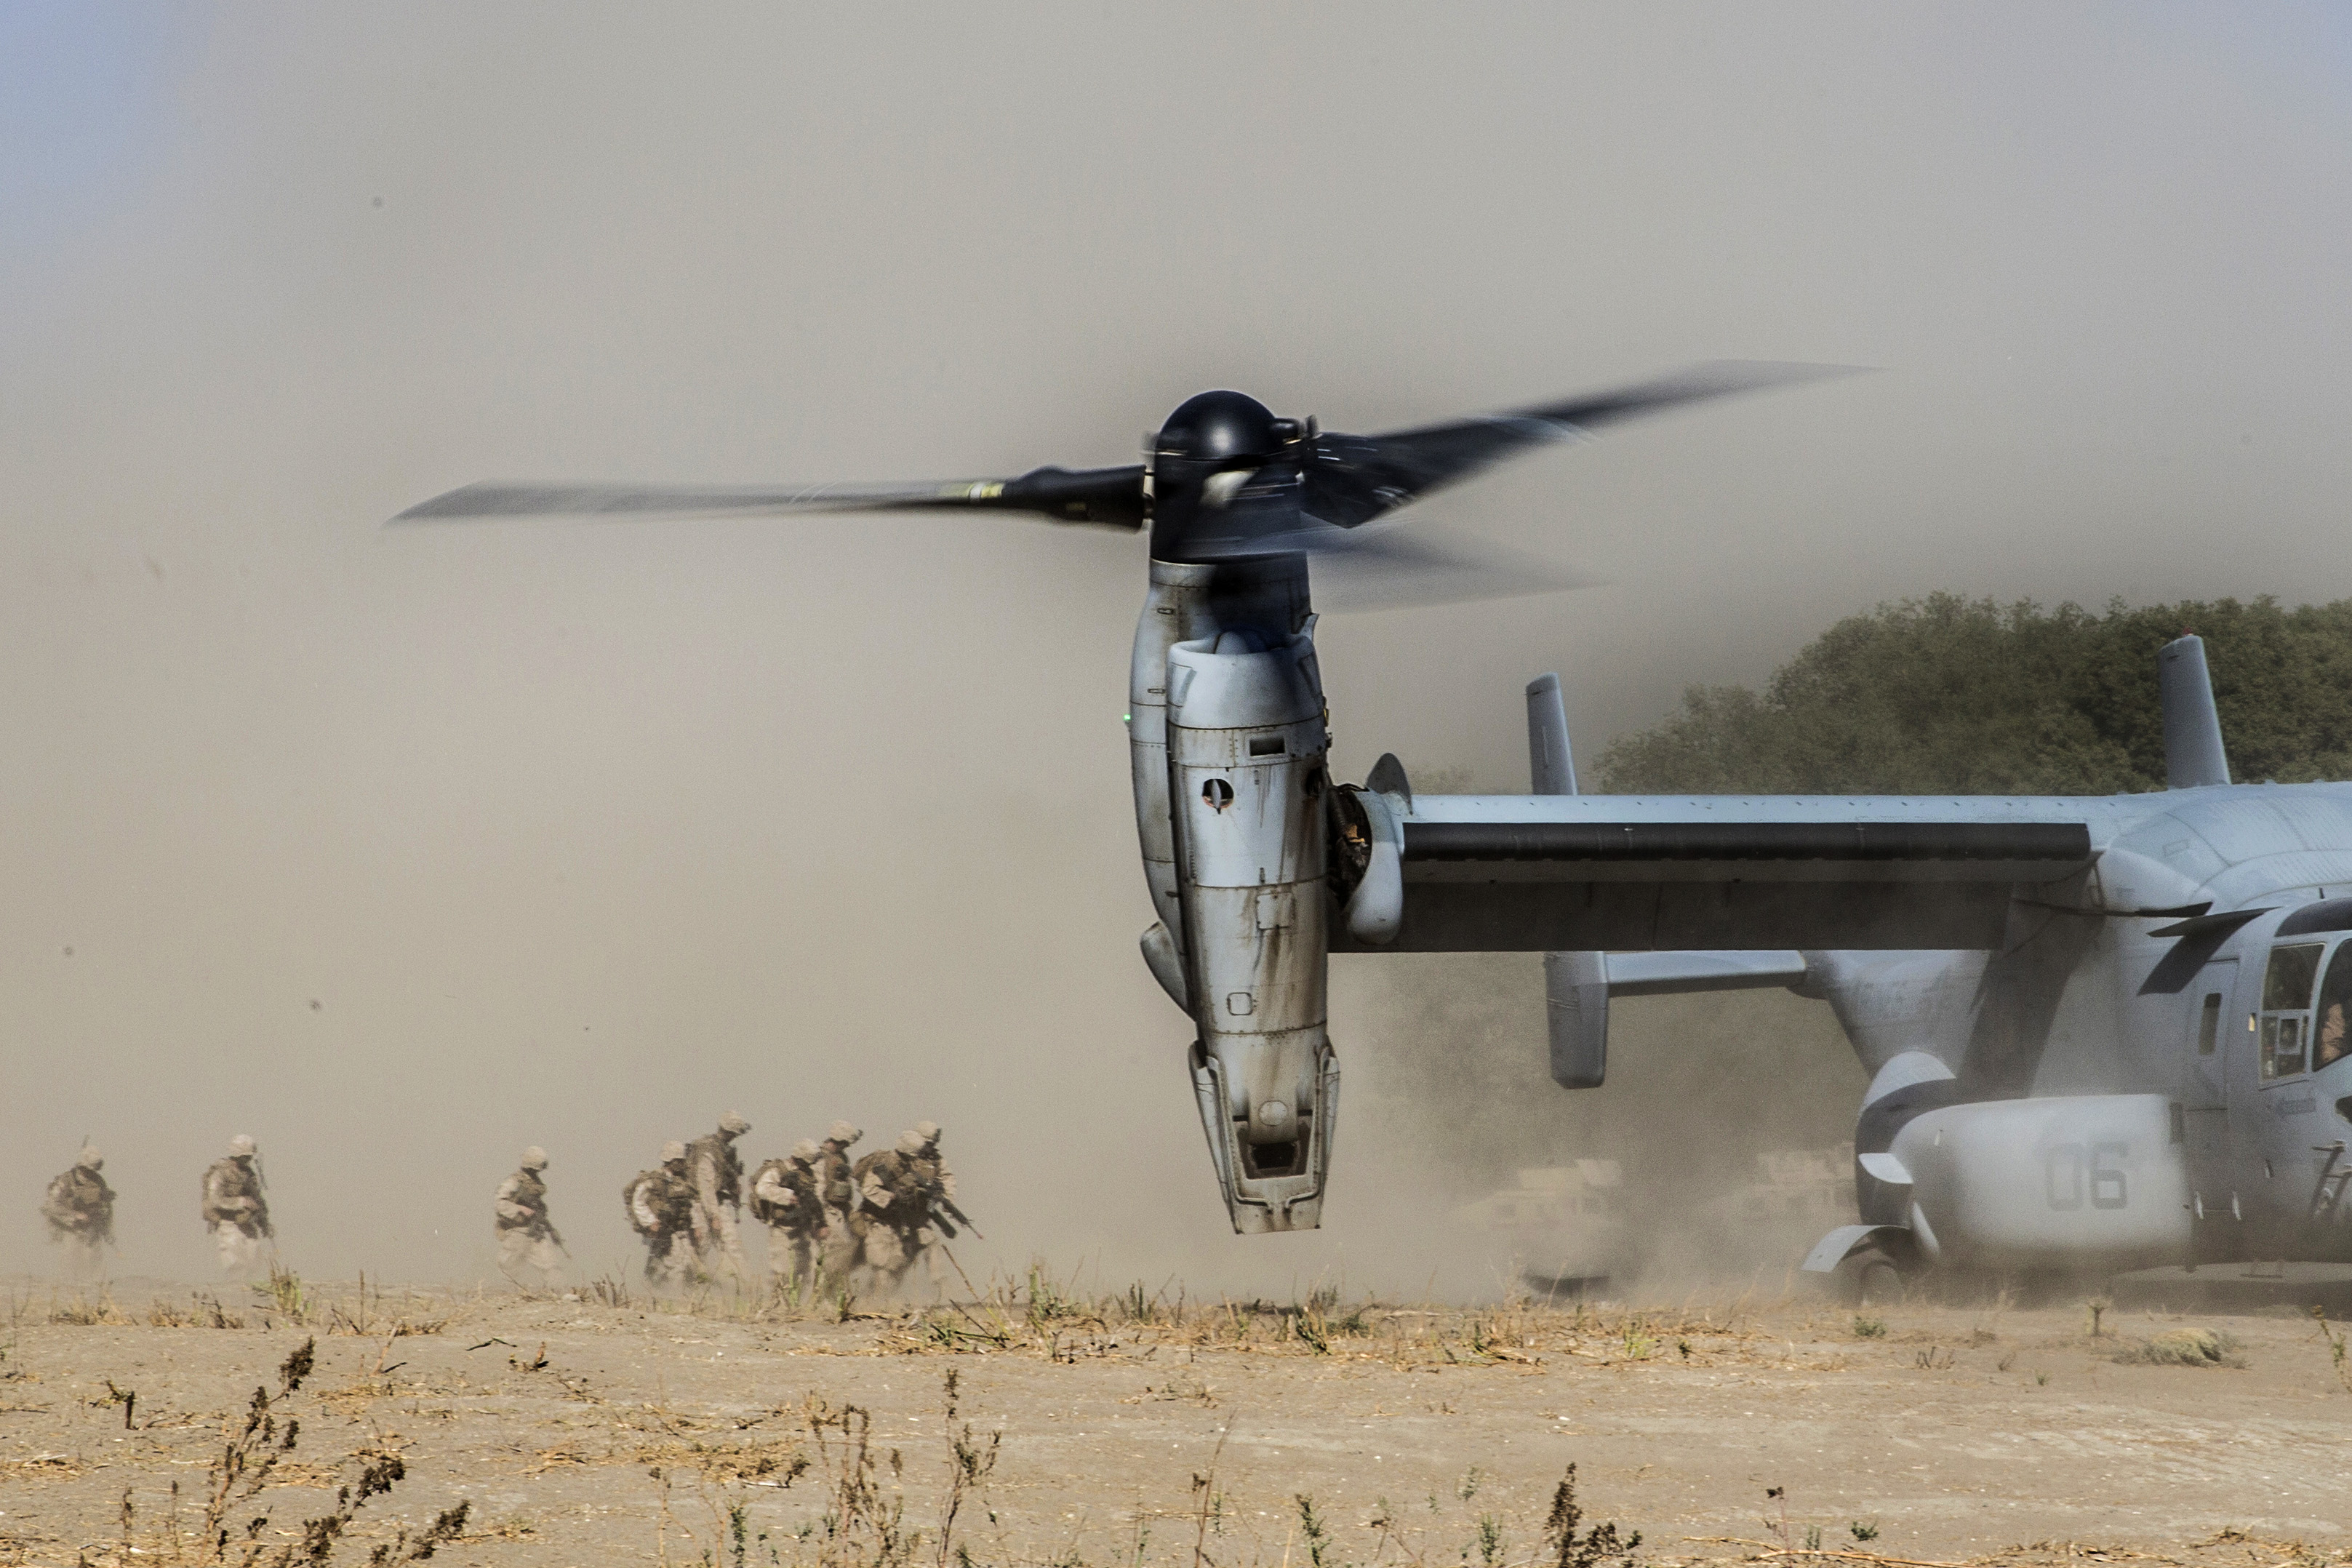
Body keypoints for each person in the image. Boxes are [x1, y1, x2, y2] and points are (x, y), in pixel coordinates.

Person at [854, 1129, 948, 1296]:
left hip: (897, 1223)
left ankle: (871, 1299)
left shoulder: (906, 1165)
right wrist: (891, 1196)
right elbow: (868, 1189)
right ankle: (872, 1304)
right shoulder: (885, 1164)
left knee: (896, 1264)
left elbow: (909, 1188)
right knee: (882, 1266)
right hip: (878, 1223)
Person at [749, 1139, 824, 1294]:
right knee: (781, 1271)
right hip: (782, 1228)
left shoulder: (807, 1174)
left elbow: (813, 1200)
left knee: (803, 1270)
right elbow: (762, 1189)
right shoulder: (779, 1170)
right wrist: (788, 1196)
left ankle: (796, 1305)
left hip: (802, 1228)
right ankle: (777, 1305)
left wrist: (820, 1223)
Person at [685, 1112, 751, 1281]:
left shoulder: (724, 1150)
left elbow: (727, 1177)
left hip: (716, 1202)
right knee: (702, 1245)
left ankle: (743, 1284)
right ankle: (691, 1282)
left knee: (732, 1244)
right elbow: (705, 1186)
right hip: (700, 1204)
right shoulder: (707, 1150)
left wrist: (734, 1189)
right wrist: (713, 1215)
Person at [625, 1142, 695, 1288]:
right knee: (668, 1262)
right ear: (671, 1161)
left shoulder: (682, 1181)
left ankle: (654, 1288)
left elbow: (690, 1204)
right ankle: (669, 1293)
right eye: (679, 1161)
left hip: (678, 1229)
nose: (682, 1164)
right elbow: (638, 1201)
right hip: (660, 1229)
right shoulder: (654, 1180)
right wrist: (651, 1222)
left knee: (675, 1261)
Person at [494, 1146, 566, 1288]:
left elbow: (539, 1210)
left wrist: (551, 1230)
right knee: (509, 1268)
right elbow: (499, 1203)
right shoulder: (514, 1182)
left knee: (550, 1265)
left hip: (535, 1231)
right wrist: (519, 1208)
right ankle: (504, 1293)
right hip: (517, 1231)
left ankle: (560, 1294)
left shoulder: (535, 1184)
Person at [201, 1135, 272, 1274]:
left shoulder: (247, 1174)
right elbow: (215, 1199)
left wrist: (264, 1224)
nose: (249, 1160)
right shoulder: (220, 1172)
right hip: (227, 1222)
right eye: (246, 1157)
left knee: (254, 1258)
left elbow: (257, 1200)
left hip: (246, 1222)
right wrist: (241, 1202)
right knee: (235, 1262)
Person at [40, 1145, 115, 1273]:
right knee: (70, 1265)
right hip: (70, 1229)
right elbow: (52, 1205)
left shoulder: (99, 1182)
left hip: (92, 1230)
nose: (90, 1173)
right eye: (87, 1170)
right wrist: (75, 1216)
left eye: (94, 1170)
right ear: (81, 1166)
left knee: (94, 1265)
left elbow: (106, 1208)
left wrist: (108, 1231)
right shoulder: (66, 1180)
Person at [812, 1122, 863, 1292]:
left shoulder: (841, 1157)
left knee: (845, 1248)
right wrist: (820, 1222)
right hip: (826, 1211)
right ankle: (826, 1291)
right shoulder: (820, 1159)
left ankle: (831, 1289)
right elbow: (817, 1192)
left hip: (839, 1211)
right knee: (837, 1250)